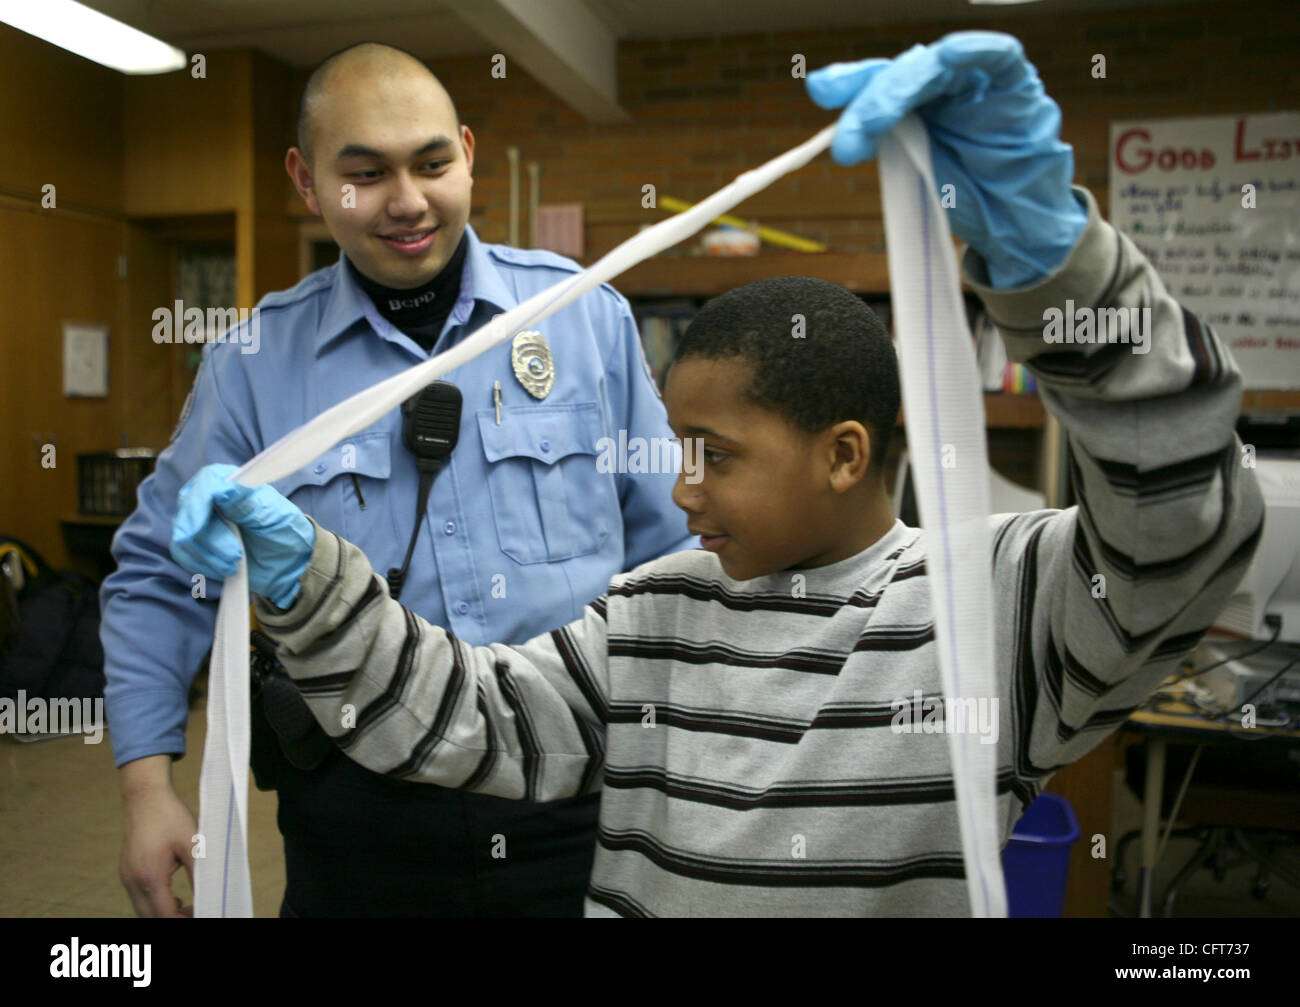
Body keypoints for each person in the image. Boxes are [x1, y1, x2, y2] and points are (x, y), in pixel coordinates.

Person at [172, 30, 1266, 915]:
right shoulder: (652, 613)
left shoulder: (986, 615)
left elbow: (1184, 524)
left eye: (714, 456)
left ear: (843, 454)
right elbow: (464, 715)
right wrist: (308, 580)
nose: (677, 488)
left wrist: (1054, 264)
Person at [101, 41, 696, 918]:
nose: (409, 201)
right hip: (357, 820)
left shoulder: (582, 319)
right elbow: (158, 576)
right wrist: (145, 788)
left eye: (431, 163)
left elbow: (680, 547)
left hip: (582, 801)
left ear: (467, 151)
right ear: (306, 184)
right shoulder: (254, 364)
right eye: (366, 174)